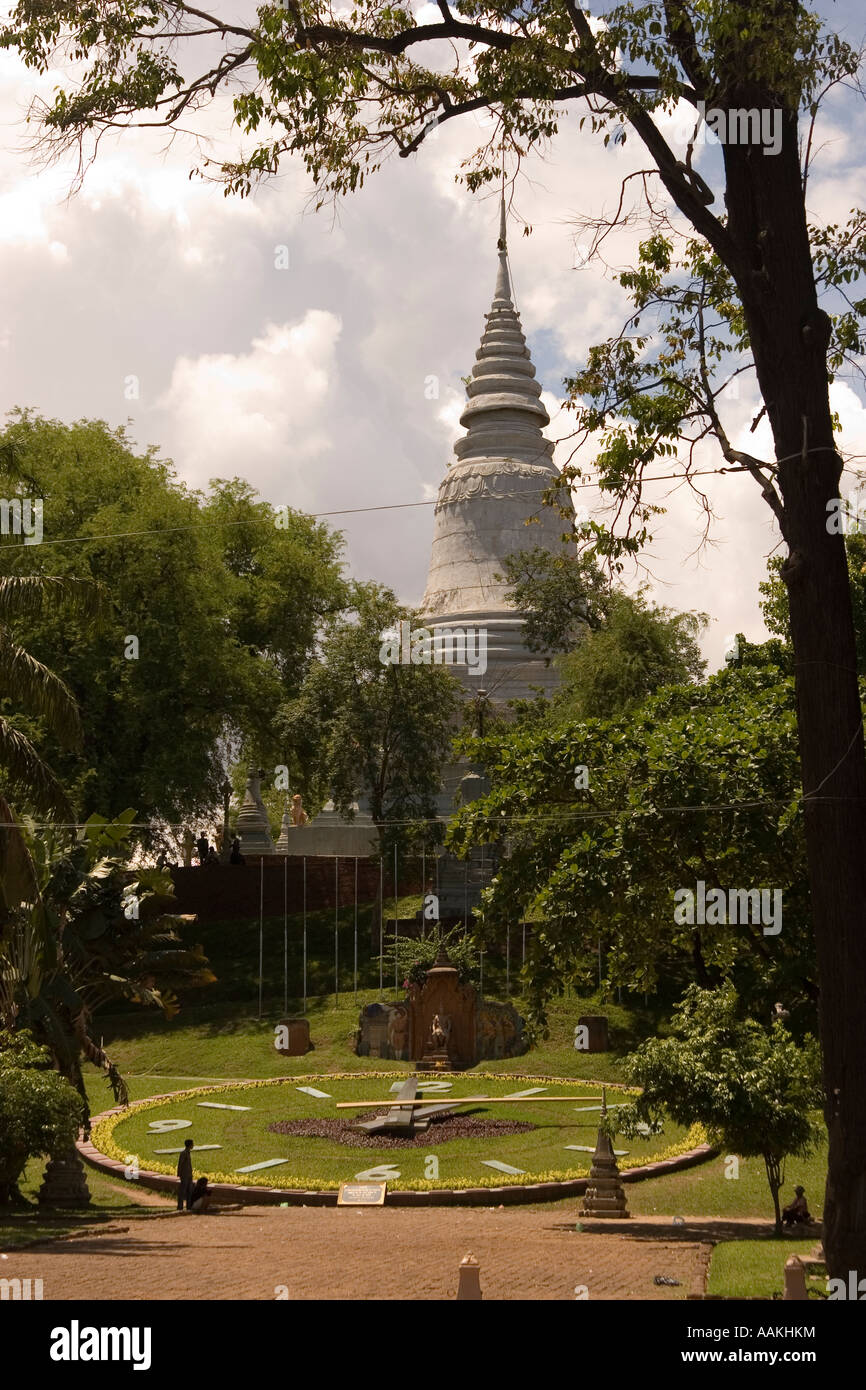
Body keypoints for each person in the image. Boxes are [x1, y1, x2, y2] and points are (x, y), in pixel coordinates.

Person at [176, 1138, 195, 1211]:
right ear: (189, 1145)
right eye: (192, 1144)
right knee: (183, 1191)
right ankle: (180, 1206)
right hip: (184, 1175)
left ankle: (188, 1206)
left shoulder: (188, 1152)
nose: (193, 1145)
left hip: (189, 1175)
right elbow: (180, 1164)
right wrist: (179, 1173)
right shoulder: (183, 1153)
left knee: (189, 1191)